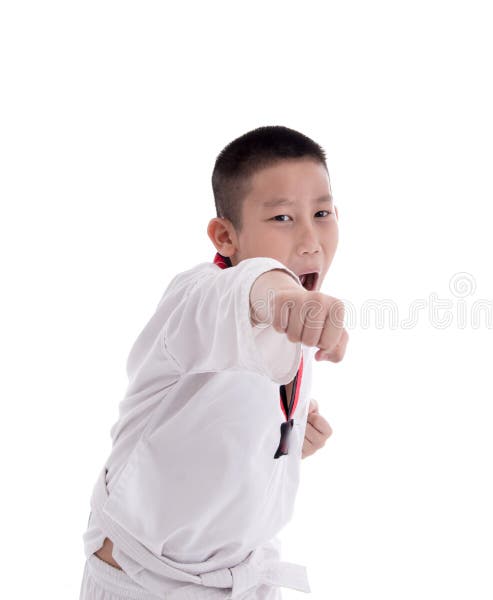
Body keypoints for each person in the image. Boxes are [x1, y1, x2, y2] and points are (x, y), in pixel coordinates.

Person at [78, 126, 347, 600]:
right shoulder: (197, 298)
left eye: (322, 213)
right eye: (283, 217)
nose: (310, 240)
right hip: (144, 583)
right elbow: (250, 288)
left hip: (244, 571)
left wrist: (282, 440)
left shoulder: (294, 317)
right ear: (225, 236)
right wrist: (283, 295)